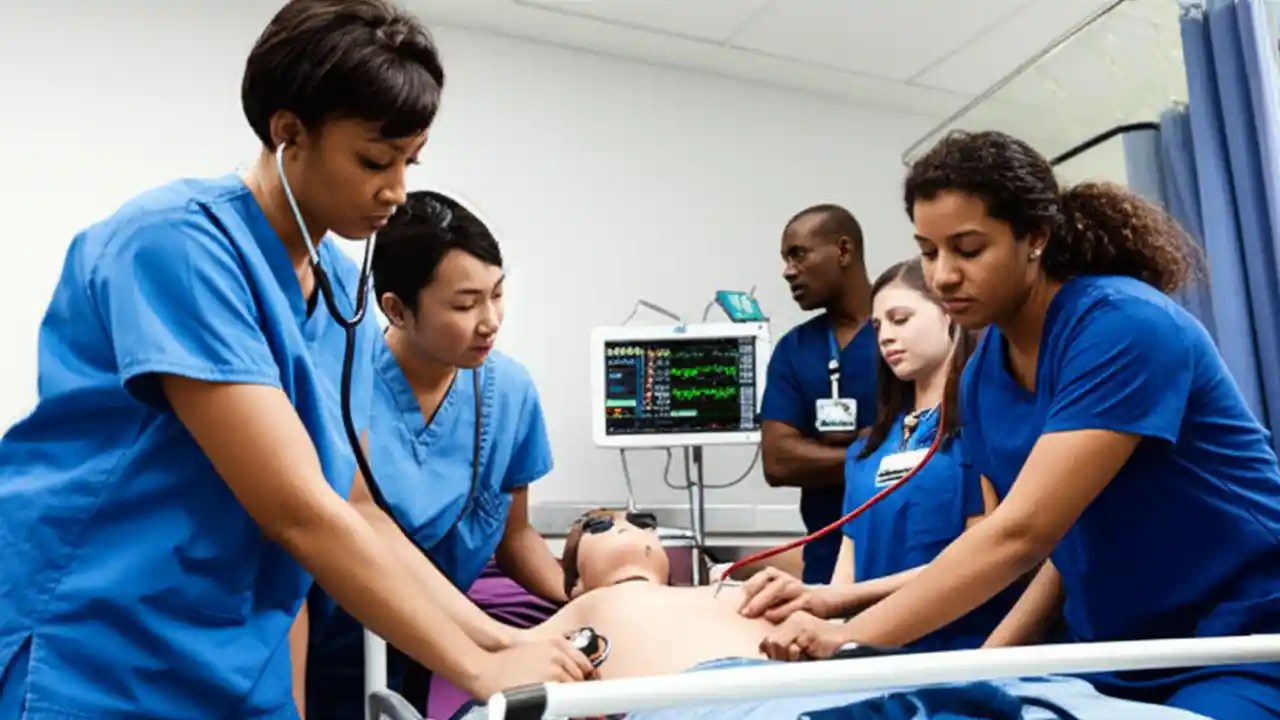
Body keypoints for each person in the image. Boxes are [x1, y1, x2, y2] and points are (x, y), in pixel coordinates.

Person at [0, 2, 591, 717]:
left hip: (232, 649)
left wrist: (498, 641)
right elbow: (295, 509)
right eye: (375, 160)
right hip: (99, 639)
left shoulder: (339, 285)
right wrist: (477, 670)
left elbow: (358, 508)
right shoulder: (176, 246)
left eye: (409, 161)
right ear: (288, 134)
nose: (396, 191)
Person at [758, 129, 1280, 719]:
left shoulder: (1121, 326)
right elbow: (1050, 545)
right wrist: (985, 670)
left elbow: (1019, 535)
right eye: (929, 252)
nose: (943, 276)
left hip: (1242, 639)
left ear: (1035, 237)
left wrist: (851, 636)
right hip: (1111, 652)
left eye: (969, 249)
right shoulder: (982, 377)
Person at [468, 511, 1212, 720]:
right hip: (715, 699)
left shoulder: (743, 587)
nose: (631, 528)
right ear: (569, 578)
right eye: (600, 528)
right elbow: (511, 690)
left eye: (641, 521)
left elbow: (852, 614)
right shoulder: (573, 617)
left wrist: (819, 611)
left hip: (849, 678)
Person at [301, 191, 566, 718]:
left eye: (496, 294)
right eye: (465, 305)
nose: (490, 320)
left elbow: (514, 536)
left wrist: (582, 604)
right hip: (324, 647)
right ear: (396, 309)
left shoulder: (509, 391)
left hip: (438, 642)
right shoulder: (336, 386)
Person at [740, 258, 1022, 652]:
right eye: (877, 326)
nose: (885, 336)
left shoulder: (983, 432)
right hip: (868, 659)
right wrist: (811, 615)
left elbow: (985, 559)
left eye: (900, 319)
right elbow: (846, 578)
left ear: (949, 316)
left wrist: (836, 602)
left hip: (959, 658)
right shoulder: (867, 452)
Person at [760, 204, 880, 584]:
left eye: (798, 254)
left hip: (906, 556)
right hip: (825, 564)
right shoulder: (794, 349)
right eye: (785, 259)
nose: (788, 271)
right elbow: (779, 462)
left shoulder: (905, 332)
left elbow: (934, 448)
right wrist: (874, 451)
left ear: (843, 251)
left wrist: (822, 454)